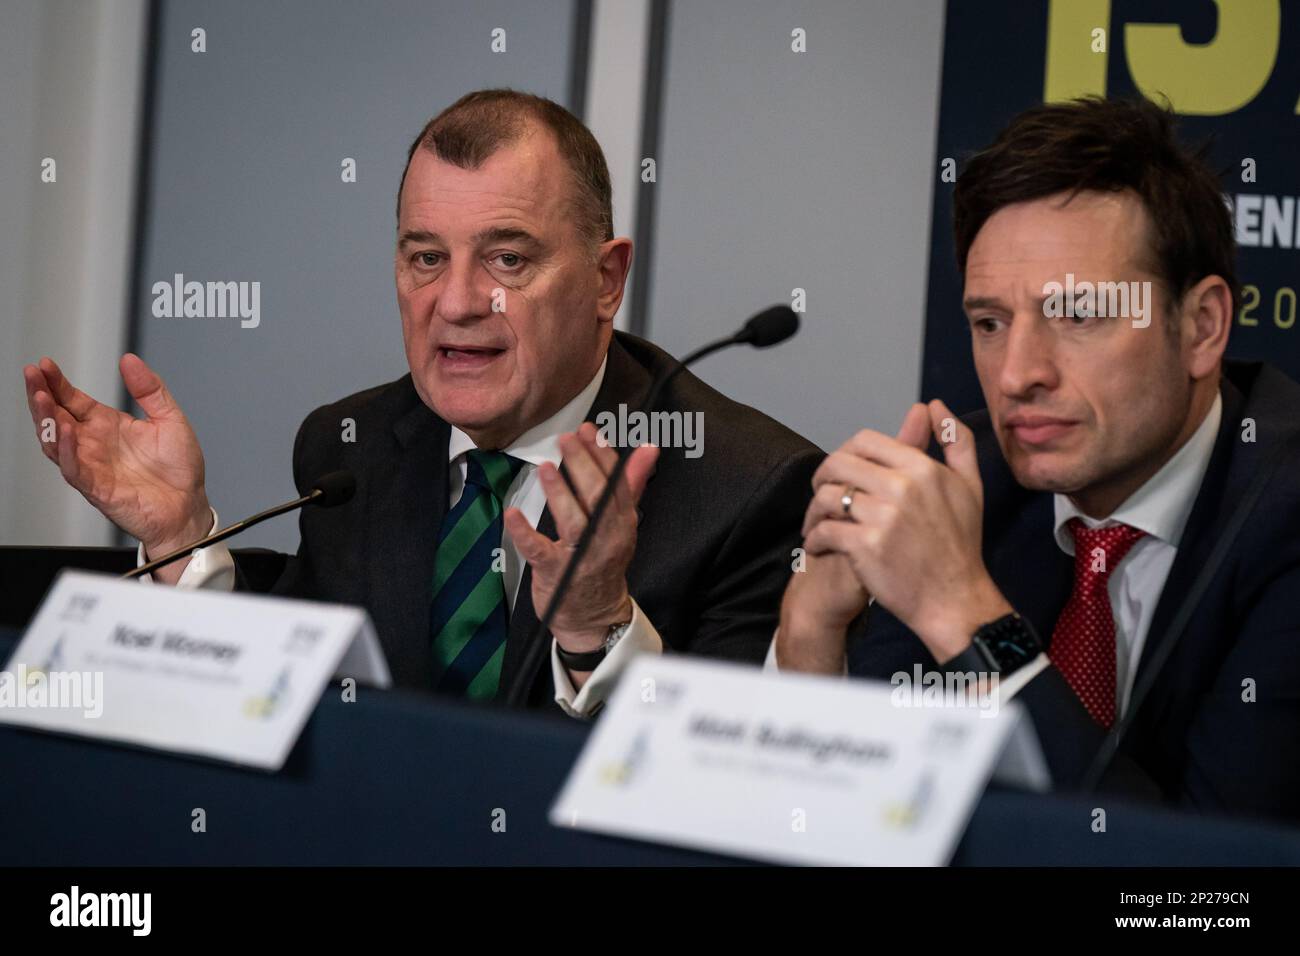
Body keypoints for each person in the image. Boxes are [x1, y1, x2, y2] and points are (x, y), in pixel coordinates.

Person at [24, 89, 821, 718]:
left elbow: (721, 793)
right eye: (427, 258)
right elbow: (289, 707)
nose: (458, 301)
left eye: (507, 259)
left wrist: (597, 626)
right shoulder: (354, 449)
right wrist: (181, 539)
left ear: (605, 281)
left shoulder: (746, 489)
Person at [775, 96, 1300, 822]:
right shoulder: (966, 479)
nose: (1018, 373)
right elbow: (871, 816)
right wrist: (811, 641)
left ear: (1202, 327)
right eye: (990, 322)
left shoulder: (1285, 516)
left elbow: (1209, 892)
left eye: (1078, 315)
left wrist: (969, 617)